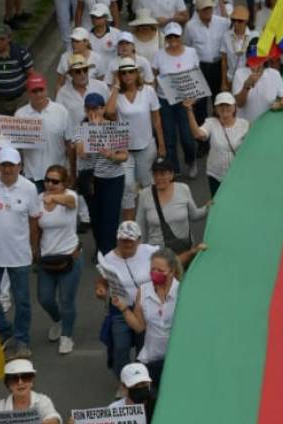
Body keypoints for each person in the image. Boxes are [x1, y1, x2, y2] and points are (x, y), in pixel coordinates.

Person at [0, 147, 43, 358]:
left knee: (22, 300)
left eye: (11, 165)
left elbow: (33, 220)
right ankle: (5, 332)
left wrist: (34, 247)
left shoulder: (29, 188)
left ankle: (22, 340)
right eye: (4, 165)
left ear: (19, 166)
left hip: (19, 254)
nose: (7, 169)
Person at [94, 221, 158, 377]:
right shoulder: (108, 258)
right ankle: (123, 380)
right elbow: (102, 280)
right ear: (117, 239)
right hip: (120, 310)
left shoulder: (151, 252)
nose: (127, 244)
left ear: (139, 240)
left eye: (131, 240)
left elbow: (170, 263)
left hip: (145, 308)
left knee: (143, 349)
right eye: (123, 240)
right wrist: (100, 289)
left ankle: (141, 380)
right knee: (120, 348)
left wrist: (191, 252)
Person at [114, 250, 181, 390]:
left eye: (160, 270)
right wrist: (123, 308)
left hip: (175, 360)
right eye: (152, 269)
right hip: (150, 358)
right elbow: (139, 327)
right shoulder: (143, 291)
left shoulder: (182, 291)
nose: (155, 273)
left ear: (172, 271)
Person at [73, 93, 129, 255]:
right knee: (96, 217)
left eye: (96, 108)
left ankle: (108, 251)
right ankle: (101, 247)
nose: (93, 112)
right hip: (90, 179)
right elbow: (81, 153)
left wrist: (112, 156)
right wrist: (93, 130)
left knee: (110, 217)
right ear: (85, 110)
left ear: (103, 109)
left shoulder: (116, 128)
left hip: (113, 178)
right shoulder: (81, 129)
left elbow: (124, 156)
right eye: (89, 109)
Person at [107, 57, 165, 204]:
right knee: (128, 185)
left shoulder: (148, 91)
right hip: (124, 149)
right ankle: (131, 214)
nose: (127, 75)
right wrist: (115, 87)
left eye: (130, 71)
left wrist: (161, 144)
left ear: (136, 73)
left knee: (148, 185)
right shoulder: (115, 94)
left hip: (146, 145)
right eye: (123, 72)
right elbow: (109, 113)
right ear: (119, 75)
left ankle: (151, 212)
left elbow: (157, 119)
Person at [37, 165, 82, 355]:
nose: (50, 184)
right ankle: (58, 320)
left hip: (70, 256)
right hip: (47, 257)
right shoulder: (39, 199)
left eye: (55, 181)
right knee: (45, 298)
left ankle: (67, 336)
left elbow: (70, 202)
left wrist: (54, 198)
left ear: (64, 183)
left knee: (66, 300)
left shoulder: (71, 196)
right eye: (47, 180)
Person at [135, 159, 208, 261]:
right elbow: (140, 227)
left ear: (171, 175)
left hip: (184, 250)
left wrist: (208, 207)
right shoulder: (144, 195)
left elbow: (194, 215)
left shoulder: (183, 189)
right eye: (155, 174)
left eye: (162, 174)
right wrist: (139, 254)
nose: (158, 178)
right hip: (158, 255)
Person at [152, 23, 199, 178]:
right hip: (165, 100)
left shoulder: (191, 52)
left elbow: (196, 75)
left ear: (181, 37)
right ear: (166, 38)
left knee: (187, 136)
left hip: (185, 101)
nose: (173, 40)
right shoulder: (159, 55)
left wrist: (194, 97)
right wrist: (154, 97)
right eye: (170, 37)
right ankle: (173, 169)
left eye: (176, 37)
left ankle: (191, 161)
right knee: (169, 136)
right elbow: (155, 76)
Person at [15, 74, 72, 190]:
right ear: (28, 93)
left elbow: (69, 143)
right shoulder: (20, 115)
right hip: (32, 176)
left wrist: (71, 170)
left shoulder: (61, 111)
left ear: (46, 89)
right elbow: (15, 147)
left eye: (41, 90)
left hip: (58, 175)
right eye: (34, 91)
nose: (38, 94)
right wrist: (2, 137)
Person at [185, 92, 248, 196]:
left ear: (234, 107)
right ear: (215, 109)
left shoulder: (244, 124)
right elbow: (198, 134)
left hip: (238, 174)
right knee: (218, 202)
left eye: (227, 105)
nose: (224, 108)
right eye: (221, 105)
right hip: (216, 175)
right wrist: (189, 110)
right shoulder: (210, 123)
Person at [185, 0, 230, 123]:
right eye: (204, 9)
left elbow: (231, 27)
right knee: (200, 103)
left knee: (220, 100)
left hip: (218, 66)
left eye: (209, 8)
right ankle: (202, 132)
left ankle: (220, 127)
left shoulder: (222, 22)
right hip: (200, 67)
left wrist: (222, 5)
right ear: (197, 11)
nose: (207, 11)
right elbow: (188, 47)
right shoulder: (190, 26)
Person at [0, 25, 36, 116]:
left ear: (9, 38)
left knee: (20, 123)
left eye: (2, 39)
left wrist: (33, 96)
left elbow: (31, 75)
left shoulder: (21, 53)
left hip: (21, 100)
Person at [232, 38, 283, 124]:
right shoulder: (239, 73)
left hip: (267, 126)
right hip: (245, 126)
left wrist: (278, 105)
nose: (256, 60)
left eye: (259, 57)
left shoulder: (274, 74)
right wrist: (246, 86)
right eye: (252, 57)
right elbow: (239, 104)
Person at [56, 54, 112, 134]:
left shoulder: (102, 86)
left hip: (102, 136)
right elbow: (60, 121)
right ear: (71, 74)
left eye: (85, 70)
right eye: (78, 71)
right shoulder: (62, 93)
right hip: (76, 138)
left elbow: (111, 112)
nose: (82, 74)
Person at [221, 5, 257, 92]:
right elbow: (224, 61)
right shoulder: (226, 36)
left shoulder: (254, 36)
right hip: (231, 79)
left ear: (246, 21)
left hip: (248, 79)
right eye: (233, 20)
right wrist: (223, 82)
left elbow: (258, 61)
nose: (236, 23)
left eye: (240, 21)